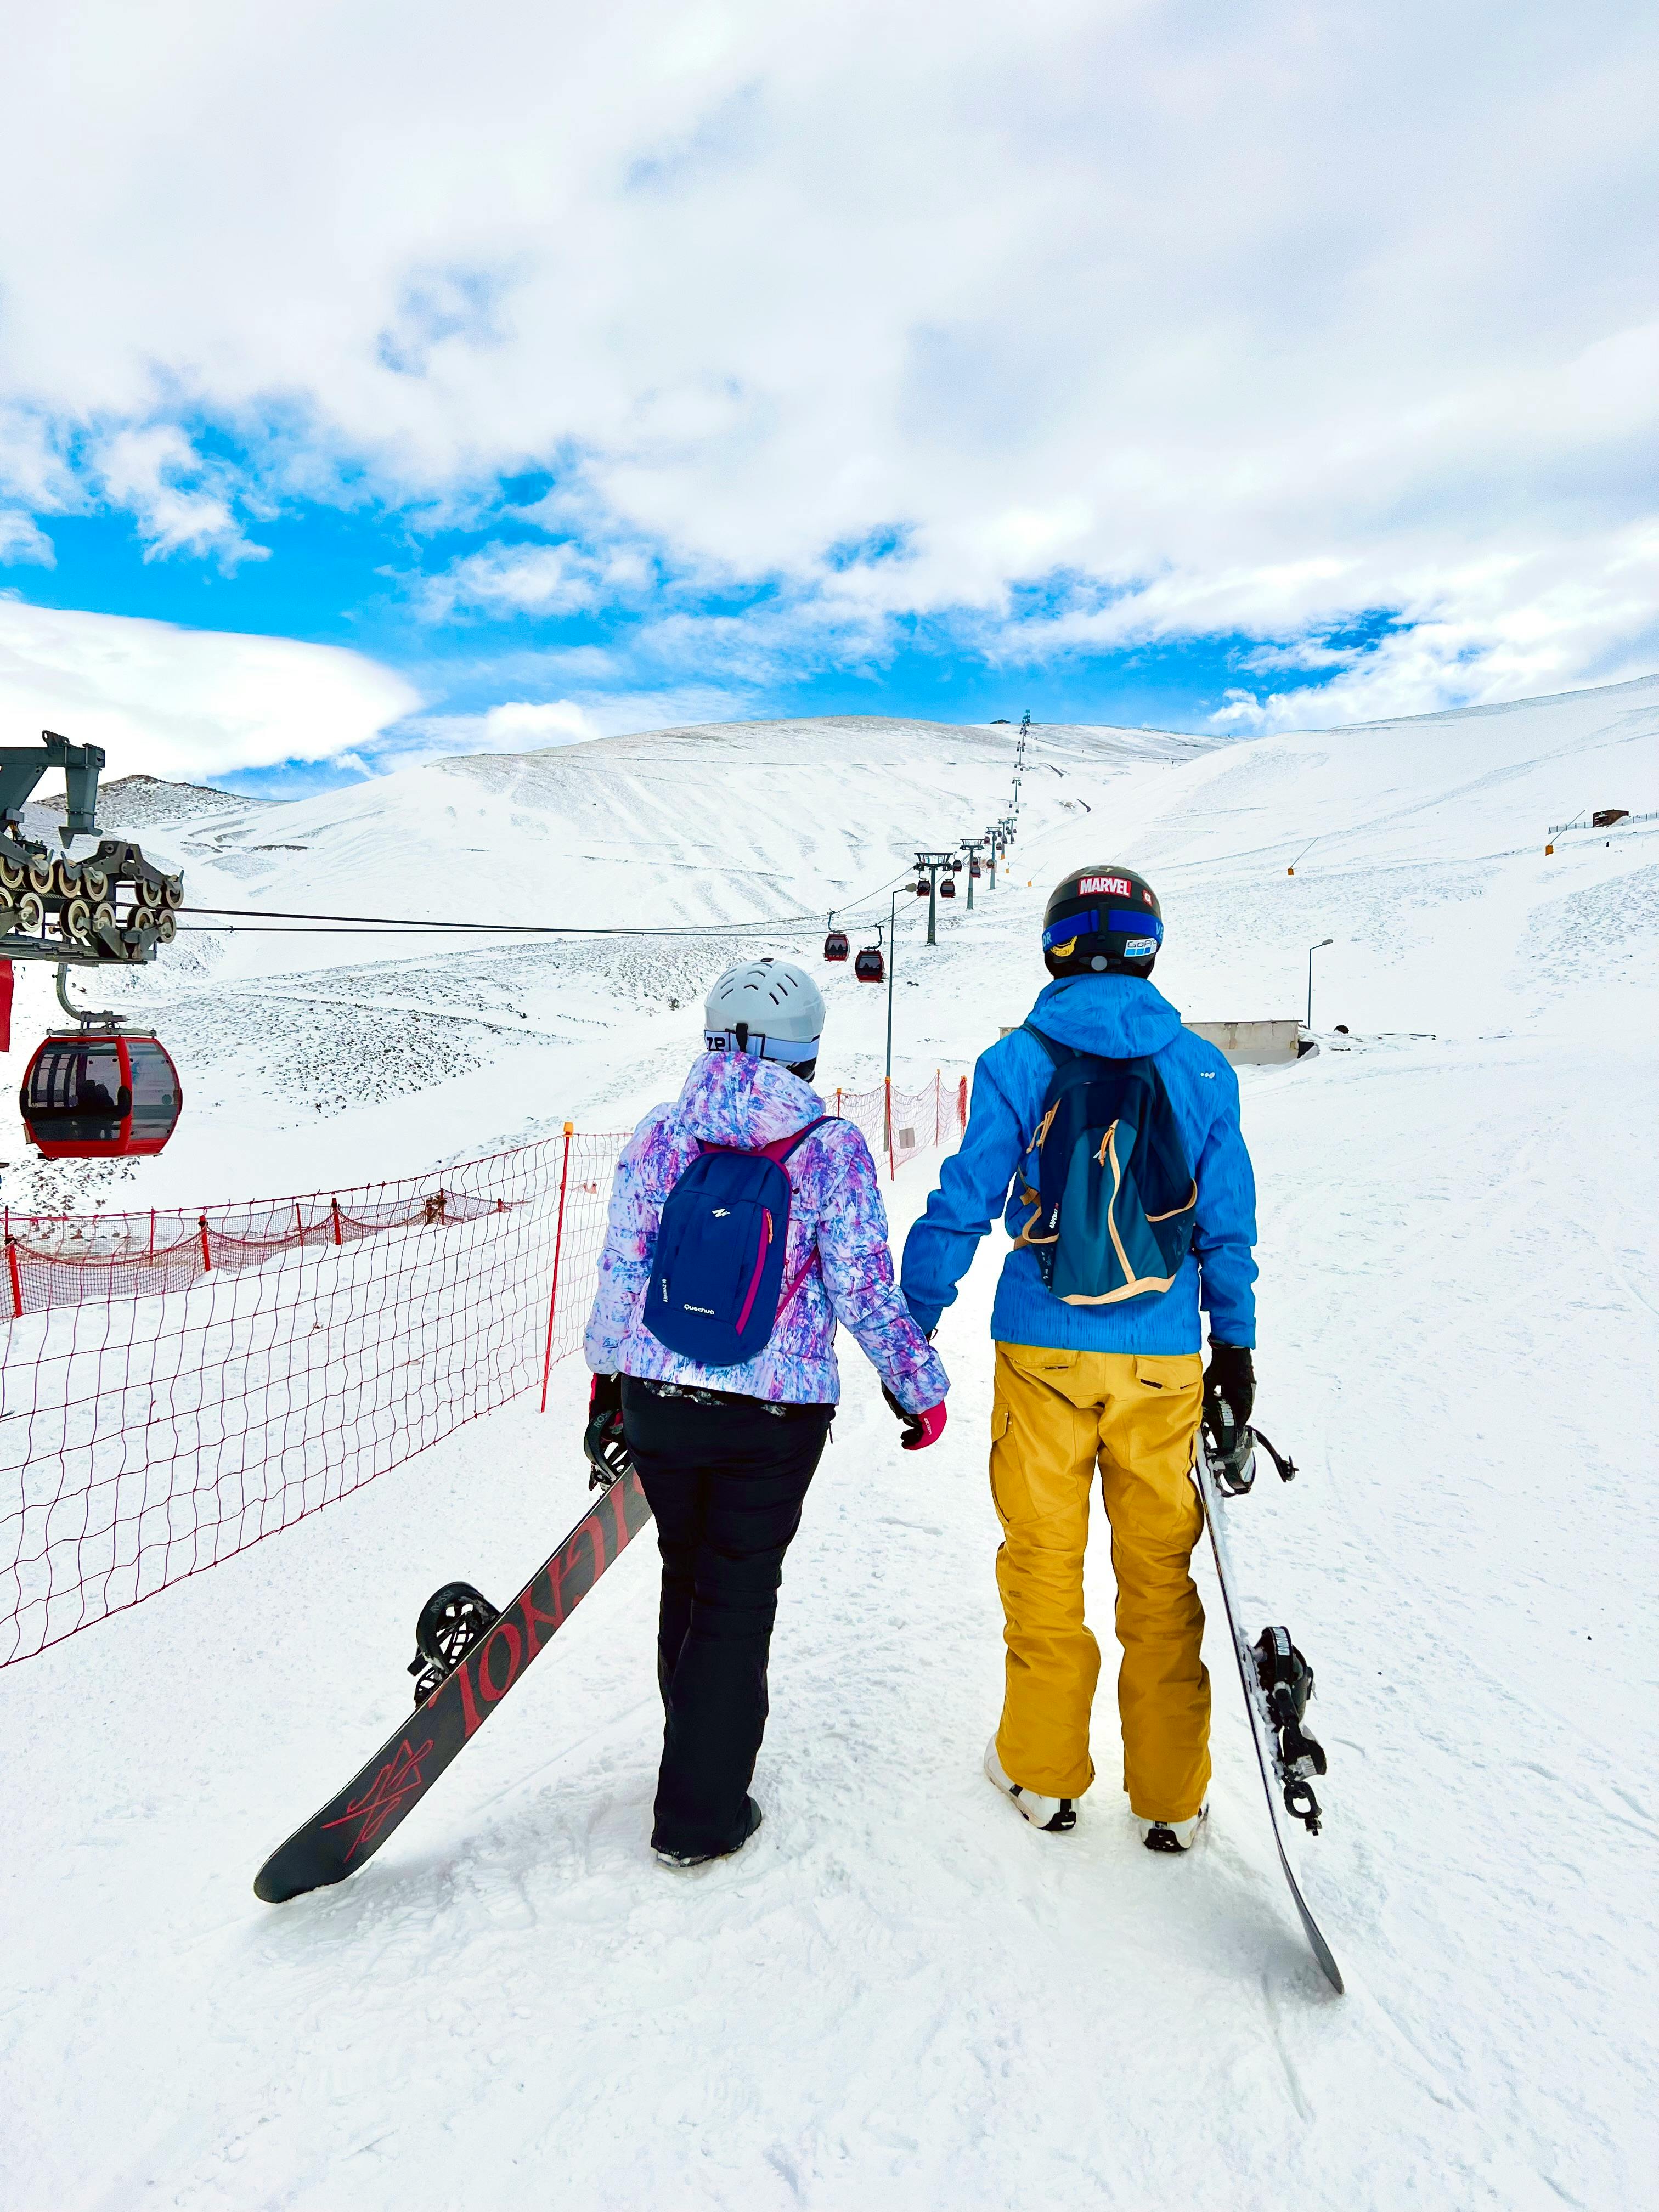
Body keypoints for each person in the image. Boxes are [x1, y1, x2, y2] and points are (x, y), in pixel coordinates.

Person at [900, 867, 1258, 1852]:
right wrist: (1235, 1349)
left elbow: (964, 1200)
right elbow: (1227, 1228)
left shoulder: (1017, 1062)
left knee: (1045, 1566)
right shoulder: (1201, 1070)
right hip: (1163, 1359)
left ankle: (1045, 1775)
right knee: (1159, 1576)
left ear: (1056, 947)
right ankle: (1173, 1799)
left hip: (1041, 1349)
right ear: (1150, 945)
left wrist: (913, 1324)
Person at [585, 956, 949, 1870]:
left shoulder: (661, 1135)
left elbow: (624, 1269)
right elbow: (863, 1288)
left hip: (660, 1401)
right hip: (771, 1417)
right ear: (805, 1053)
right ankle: (701, 1813)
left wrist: (608, 1388)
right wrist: (919, 1386)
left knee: (686, 1576)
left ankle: (690, 1756)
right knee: (737, 1596)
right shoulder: (829, 1148)